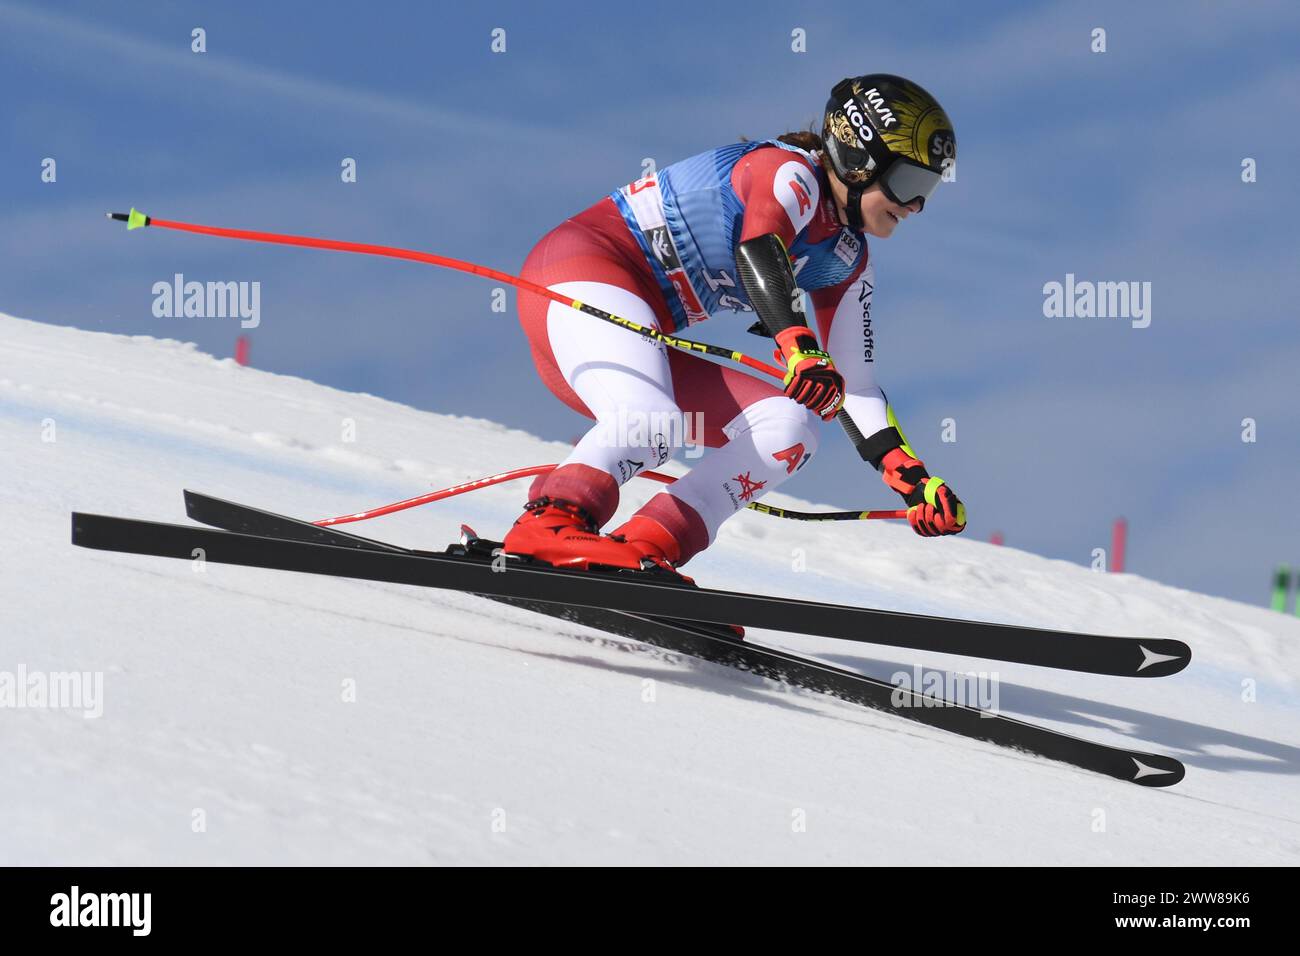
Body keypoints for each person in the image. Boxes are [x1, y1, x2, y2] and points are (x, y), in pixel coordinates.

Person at [506, 73, 966, 573]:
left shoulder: (847, 257)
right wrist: (798, 345)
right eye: (909, 183)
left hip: (628, 337)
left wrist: (911, 477)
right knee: (651, 421)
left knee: (790, 427)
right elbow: (759, 246)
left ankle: (647, 546)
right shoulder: (787, 174)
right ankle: (548, 524)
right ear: (858, 161)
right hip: (576, 282)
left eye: (929, 189)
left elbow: (854, 386)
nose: (917, 205)